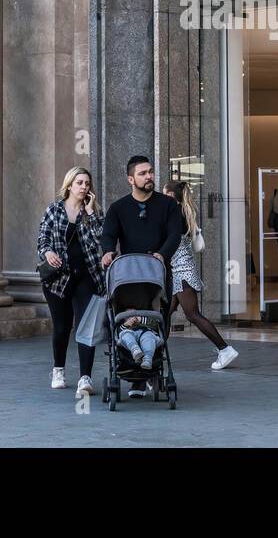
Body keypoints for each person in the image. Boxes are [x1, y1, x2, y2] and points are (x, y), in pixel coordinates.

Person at [101, 156, 184, 398]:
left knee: (159, 319)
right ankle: (135, 378)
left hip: (157, 273)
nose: (149, 177)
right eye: (142, 173)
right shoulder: (118, 208)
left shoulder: (168, 206)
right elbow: (108, 234)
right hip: (128, 277)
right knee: (128, 321)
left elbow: (174, 234)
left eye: (150, 172)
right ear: (131, 179)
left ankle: (154, 371)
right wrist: (107, 252)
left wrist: (162, 254)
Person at [37, 167, 106, 396]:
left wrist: (90, 213)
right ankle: (58, 369)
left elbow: (101, 240)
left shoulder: (93, 212)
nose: (84, 186)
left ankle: (85, 377)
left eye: (87, 183)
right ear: (69, 185)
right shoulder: (54, 210)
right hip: (58, 279)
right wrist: (47, 253)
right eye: (79, 182)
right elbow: (43, 239)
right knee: (62, 326)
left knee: (86, 327)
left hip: (86, 277)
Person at [163, 180, 236, 370]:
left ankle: (224, 349)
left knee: (193, 315)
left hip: (181, 272)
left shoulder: (175, 214)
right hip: (179, 271)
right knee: (165, 313)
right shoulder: (182, 212)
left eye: (164, 194)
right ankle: (157, 355)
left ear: (171, 195)